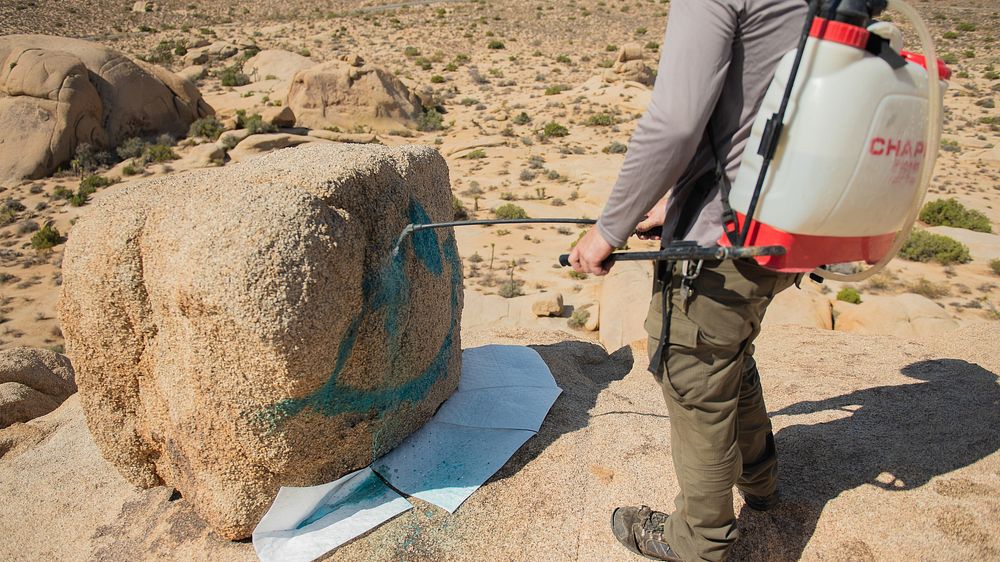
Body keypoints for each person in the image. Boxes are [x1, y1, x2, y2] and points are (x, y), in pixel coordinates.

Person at [567, 0, 809, 560]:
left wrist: (608, 231)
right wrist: (675, 202)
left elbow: (675, 123)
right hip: (794, 225)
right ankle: (762, 482)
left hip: (727, 236)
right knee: (727, 350)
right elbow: (756, 108)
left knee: (691, 371)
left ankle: (700, 540)